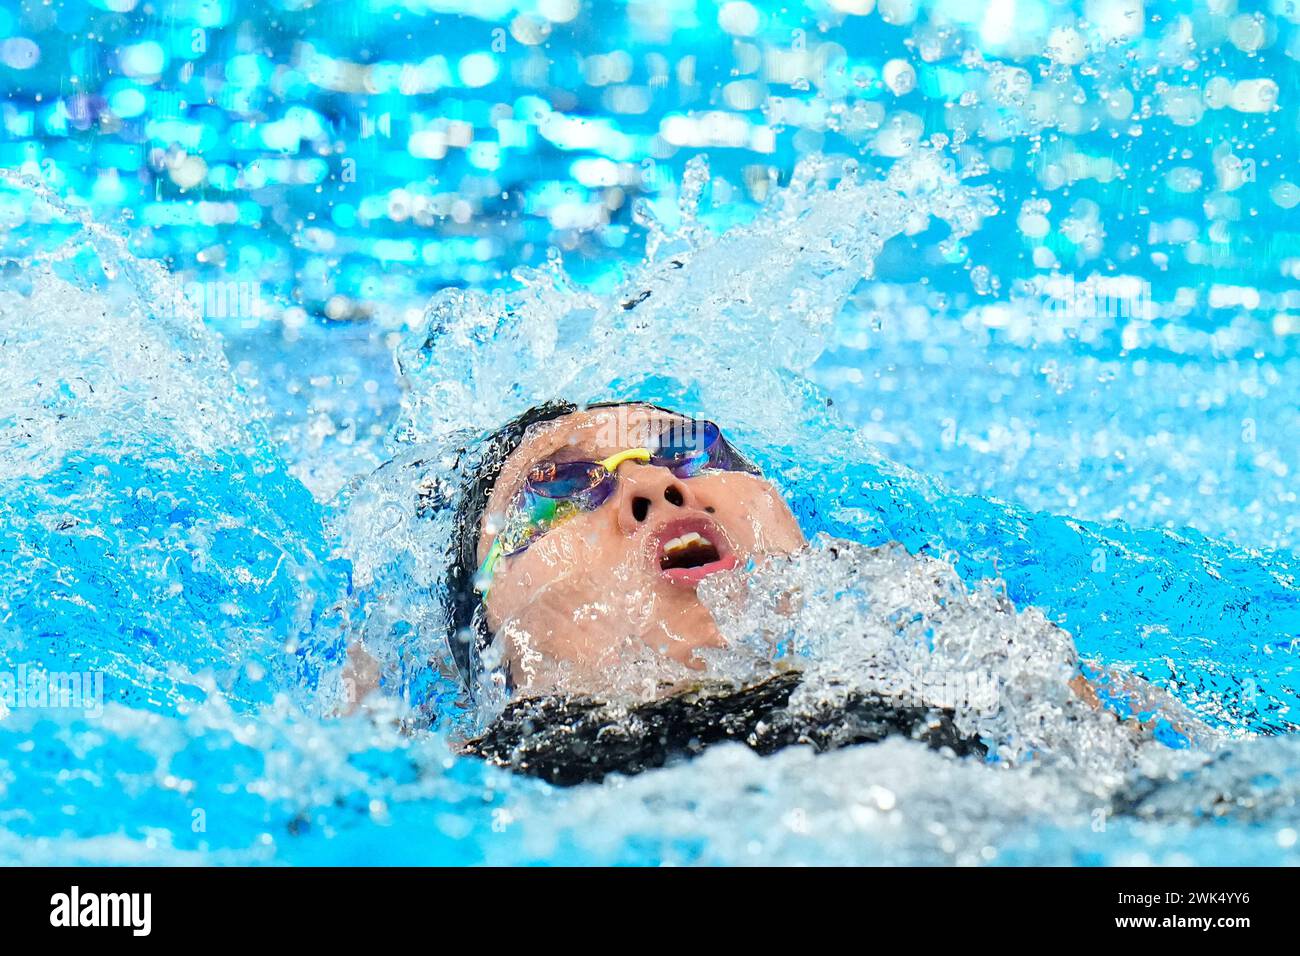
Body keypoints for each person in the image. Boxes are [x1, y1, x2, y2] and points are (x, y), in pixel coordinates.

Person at [346, 399, 1212, 784]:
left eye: (696, 455)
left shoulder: (978, 682)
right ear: (483, 649)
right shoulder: (492, 789)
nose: (653, 484)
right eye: (563, 489)